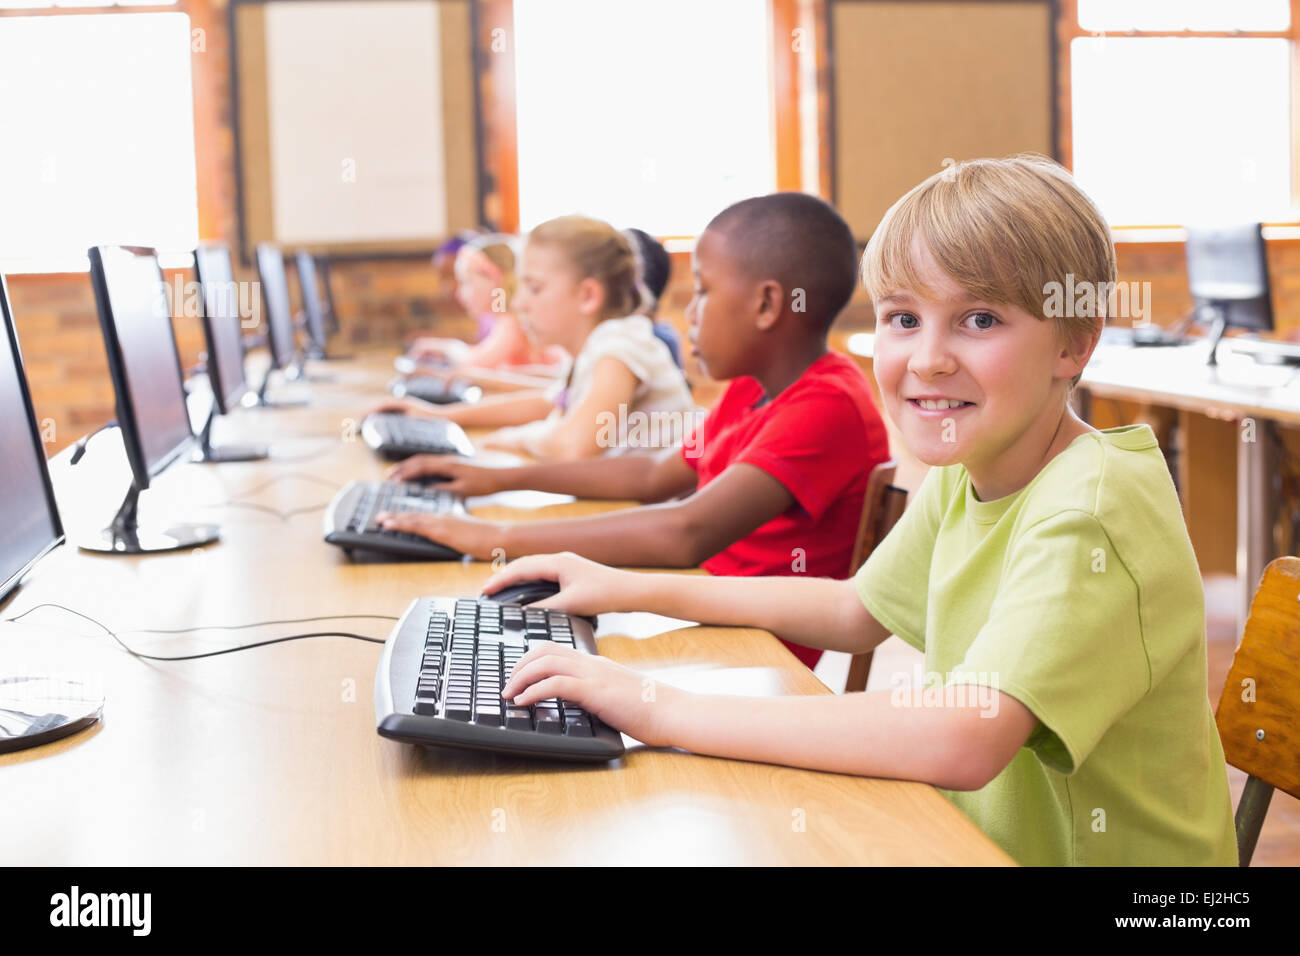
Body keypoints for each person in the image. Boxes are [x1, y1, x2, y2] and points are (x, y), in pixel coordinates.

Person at [489, 156, 1239, 866]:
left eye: (980, 320)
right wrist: (622, 585)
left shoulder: (1092, 509)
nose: (928, 359)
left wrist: (660, 708)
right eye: (903, 318)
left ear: (1074, 342)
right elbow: (855, 609)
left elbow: (963, 737)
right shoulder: (971, 465)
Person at [377, 193, 891, 669]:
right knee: (514, 650)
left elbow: (685, 533)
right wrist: (494, 481)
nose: (688, 313)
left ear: (767, 305)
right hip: (703, 606)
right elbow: (652, 477)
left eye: (705, 291)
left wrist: (496, 537)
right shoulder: (750, 390)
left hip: (752, 650)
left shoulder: (826, 405)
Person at [371, 216, 694, 460]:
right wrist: (442, 416)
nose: (520, 302)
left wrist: (509, 441)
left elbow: (574, 445)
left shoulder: (620, 347)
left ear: (587, 296)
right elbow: (550, 402)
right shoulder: (594, 347)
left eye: (534, 288)